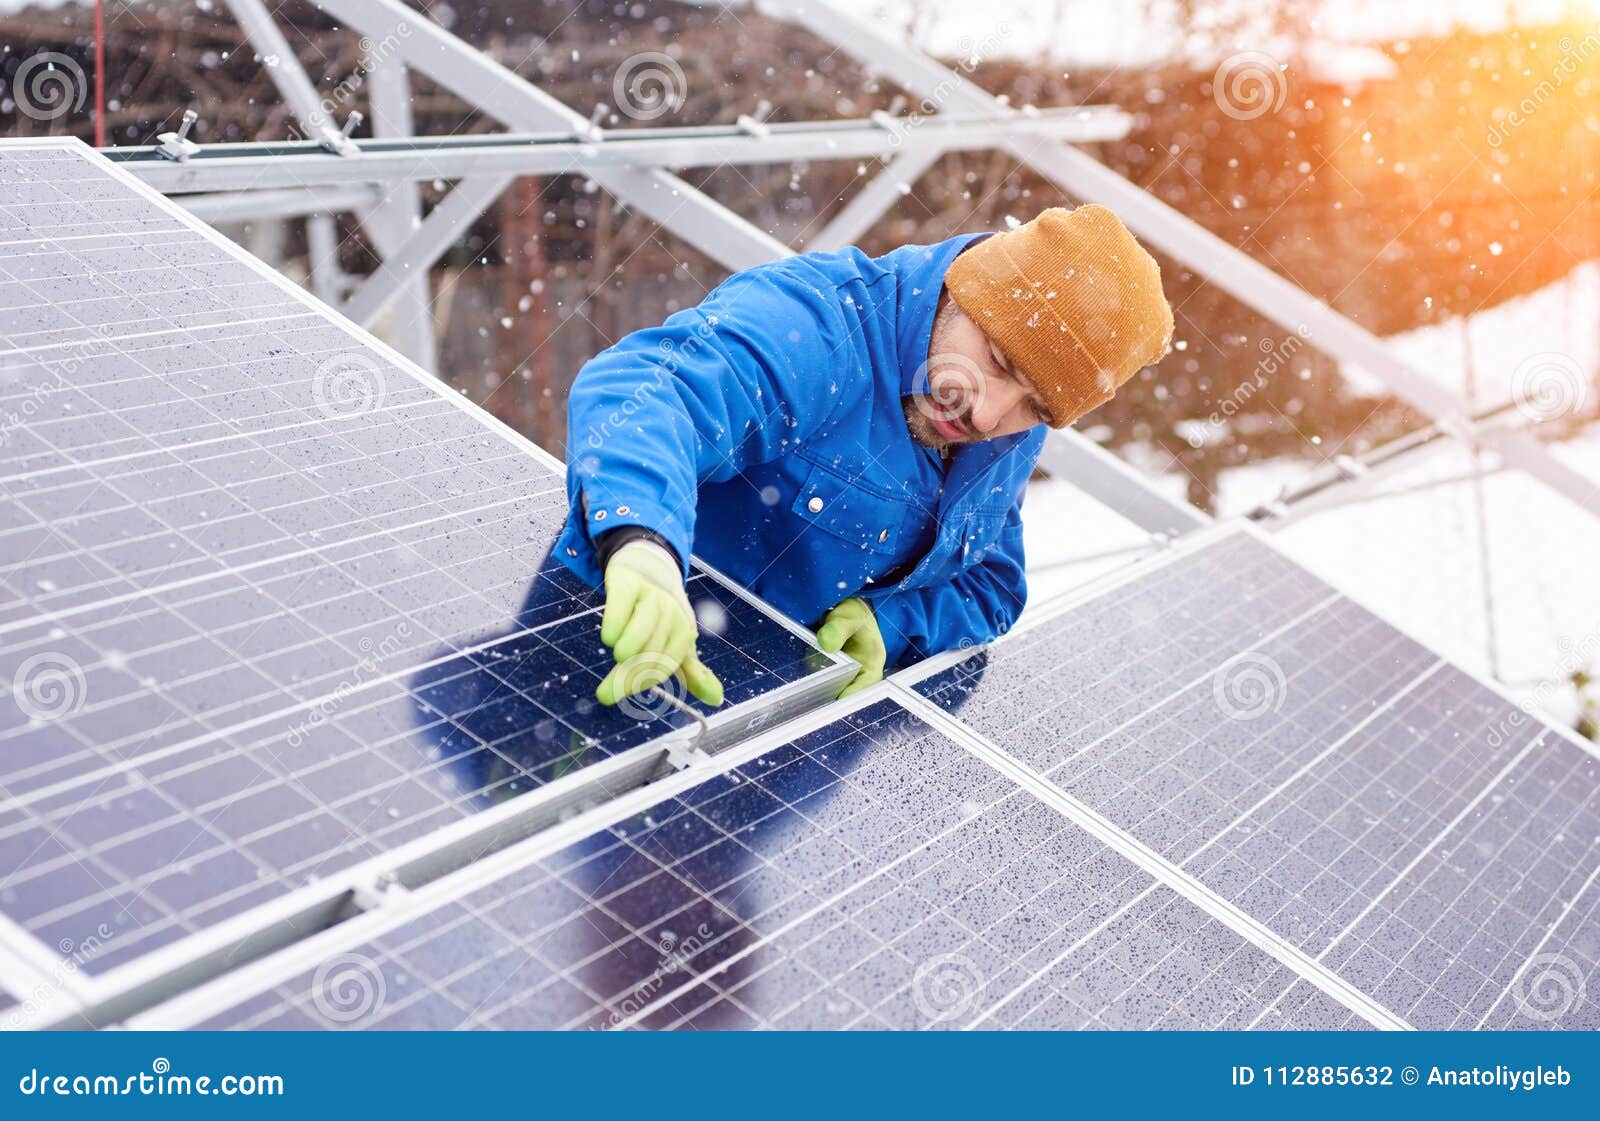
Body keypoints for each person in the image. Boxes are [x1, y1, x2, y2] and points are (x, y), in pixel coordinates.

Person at [555, 204, 1174, 705]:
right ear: (966, 290)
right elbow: (651, 392)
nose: (987, 415)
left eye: (1037, 407)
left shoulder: (1005, 430)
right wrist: (644, 543)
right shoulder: (823, 326)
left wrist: (891, 621)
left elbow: (991, 581)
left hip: (771, 733)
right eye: (999, 362)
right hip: (598, 657)